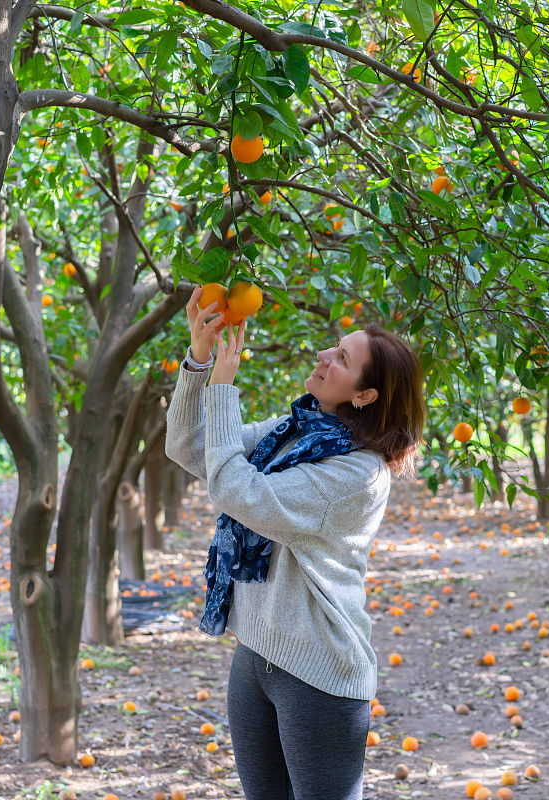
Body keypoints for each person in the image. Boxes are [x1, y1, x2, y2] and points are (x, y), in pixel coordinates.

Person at [165, 286, 426, 800]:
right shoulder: (297, 431)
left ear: (364, 395)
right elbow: (190, 447)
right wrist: (199, 359)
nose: (324, 357)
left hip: (319, 673)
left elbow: (239, 492)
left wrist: (223, 386)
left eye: (342, 359)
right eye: (334, 347)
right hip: (256, 653)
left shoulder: (357, 474)